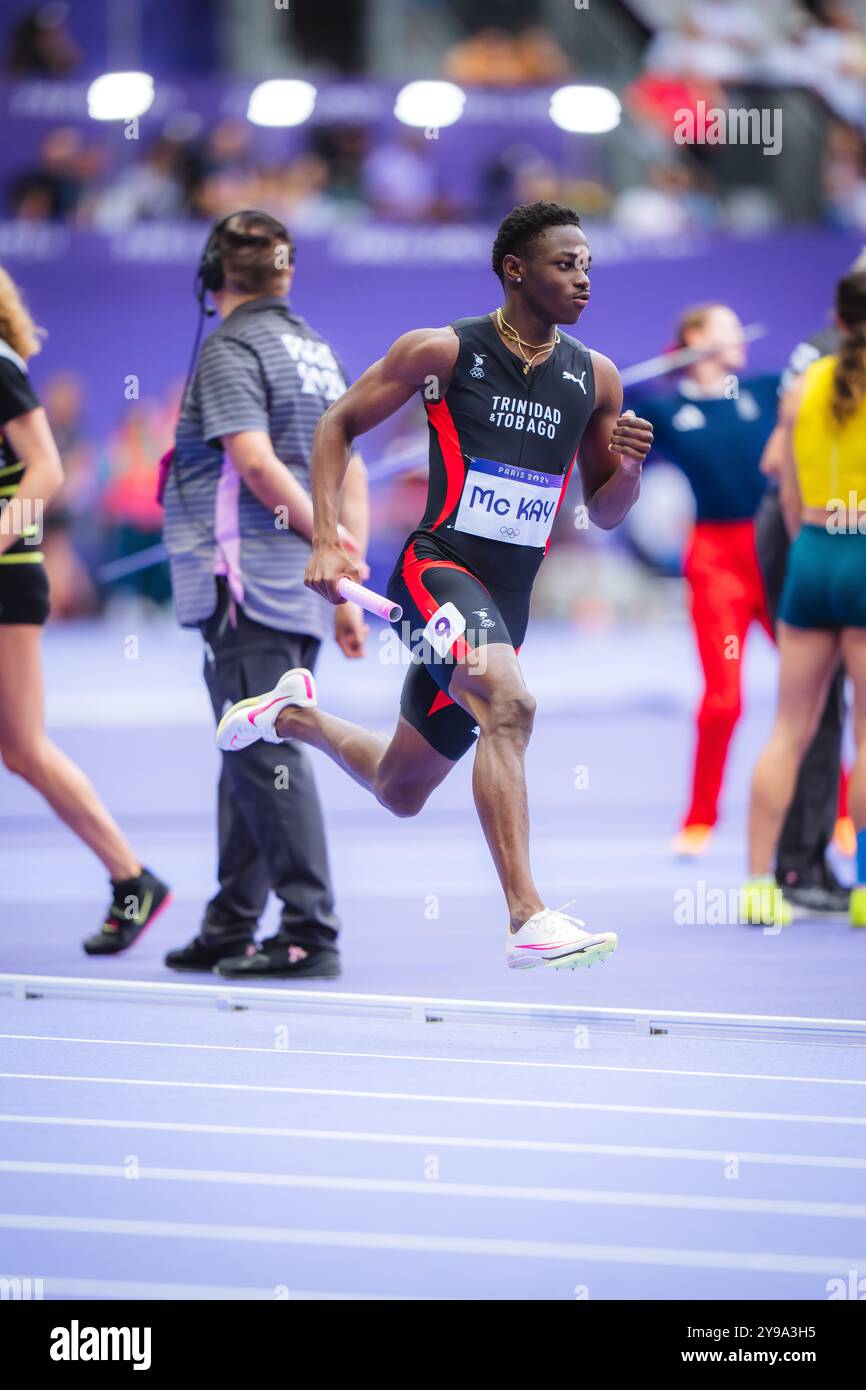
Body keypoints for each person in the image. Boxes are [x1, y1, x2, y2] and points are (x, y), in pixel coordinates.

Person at [217, 201, 654, 970]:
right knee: (510, 704)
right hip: (437, 570)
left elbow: (608, 513)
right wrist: (325, 537)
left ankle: (294, 717)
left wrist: (630, 469)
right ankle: (527, 916)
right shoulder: (443, 352)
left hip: (507, 600)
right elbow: (335, 426)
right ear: (515, 270)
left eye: (588, 265)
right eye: (565, 263)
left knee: (400, 787)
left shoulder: (597, 378)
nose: (583, 279)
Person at [161, 209, 369, 980]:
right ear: (288, 272)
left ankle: (310, 930)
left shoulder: (231, 345)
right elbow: (352, 472)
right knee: (248, 745)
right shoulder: (316, 352)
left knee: (266, 753)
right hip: (305, 587)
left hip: (247, 579)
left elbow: (252, 462)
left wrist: (328, 549)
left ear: (214, 276)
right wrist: (343, 582)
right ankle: (232, 922)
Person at [0, 264, 170, 952]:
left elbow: (47, 468)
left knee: (25, 747)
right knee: (19, 750)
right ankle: (132, 880)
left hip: (8, 577)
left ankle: (133, 878)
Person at [629, 305, 781, 857]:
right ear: (694, 339)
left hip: (777, 550)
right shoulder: (664, 410)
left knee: (811, 697)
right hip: (717, 560)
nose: (740, 337)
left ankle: (840, 811)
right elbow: (604, 405)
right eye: (726, 330)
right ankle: (699, 819)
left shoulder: (766, 390)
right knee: (723, 699)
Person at [742, 256, 866, 927]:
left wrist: (809, 543)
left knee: (789, 727)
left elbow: (781, 483)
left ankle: (761, 887)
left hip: (812, 551)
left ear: (838, 318)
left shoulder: (804, 384)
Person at [754, 322, 850, 914]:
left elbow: (773, 458)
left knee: (818, 709)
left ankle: (791, 868)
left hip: (810, 534)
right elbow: (777, 459)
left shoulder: (815, 355)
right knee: (819, 707)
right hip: (822, 535)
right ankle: (796, 866)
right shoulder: (836, 362)